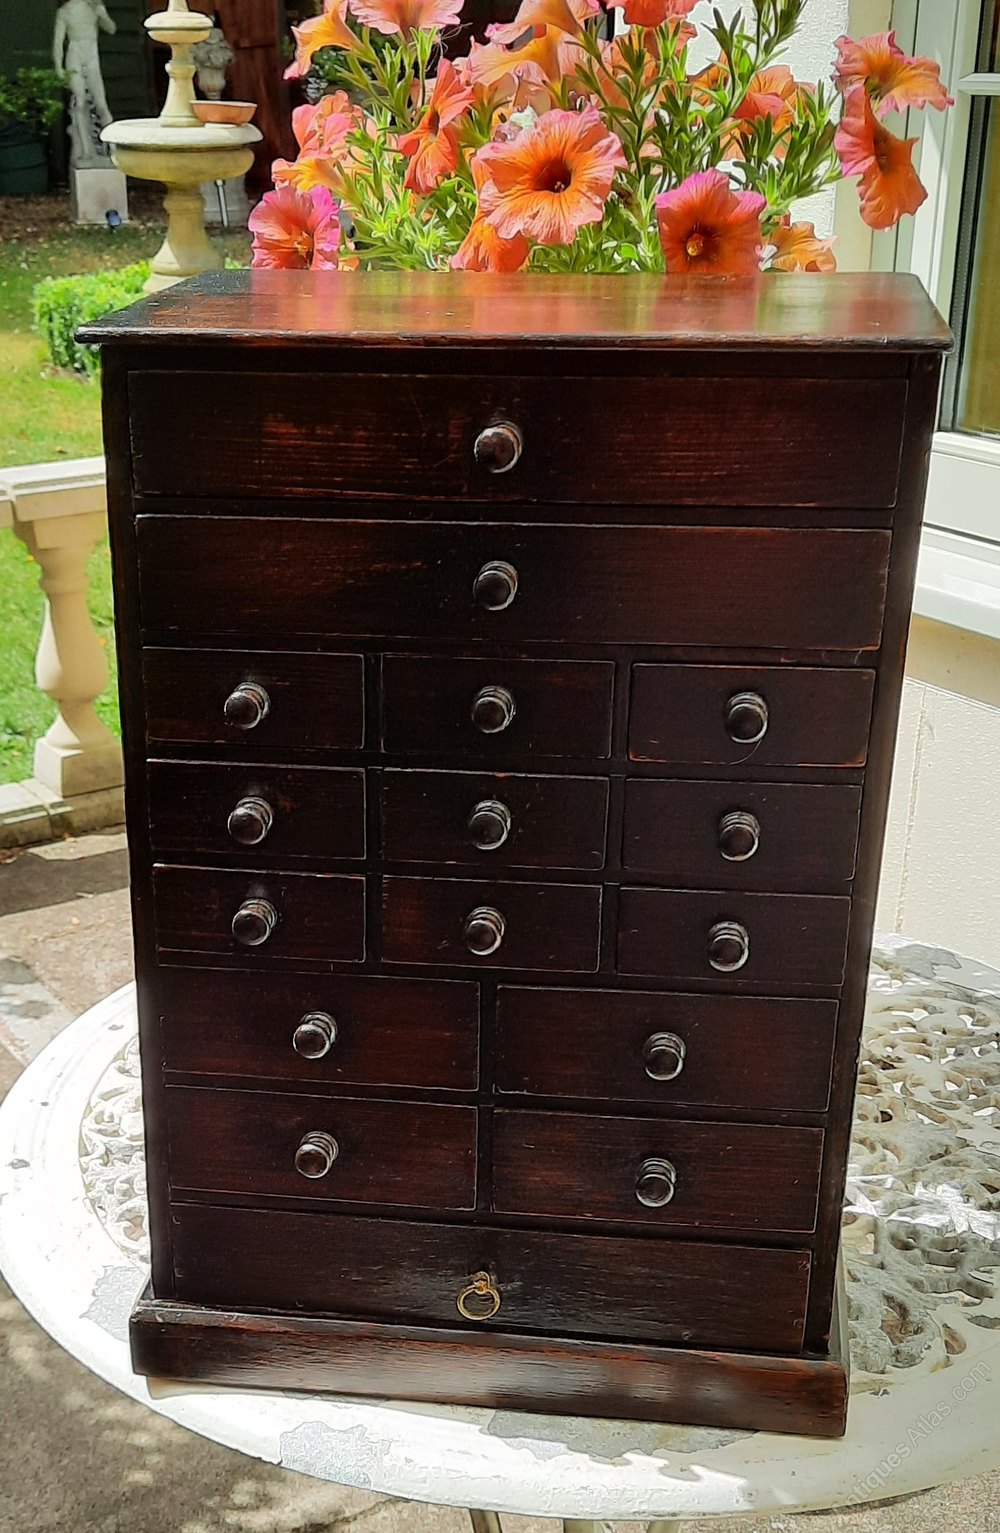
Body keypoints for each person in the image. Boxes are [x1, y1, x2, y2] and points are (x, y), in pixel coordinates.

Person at [53, 0, 116, 167]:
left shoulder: (94, 6)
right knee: (80, 102)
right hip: (75, 54)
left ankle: (112, 148)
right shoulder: (65, 11)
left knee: (101, 104)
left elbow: (111, 29)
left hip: (91, 53)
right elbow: (58, 42)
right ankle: (86, 150)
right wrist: (58, 67)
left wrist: (102, 16)